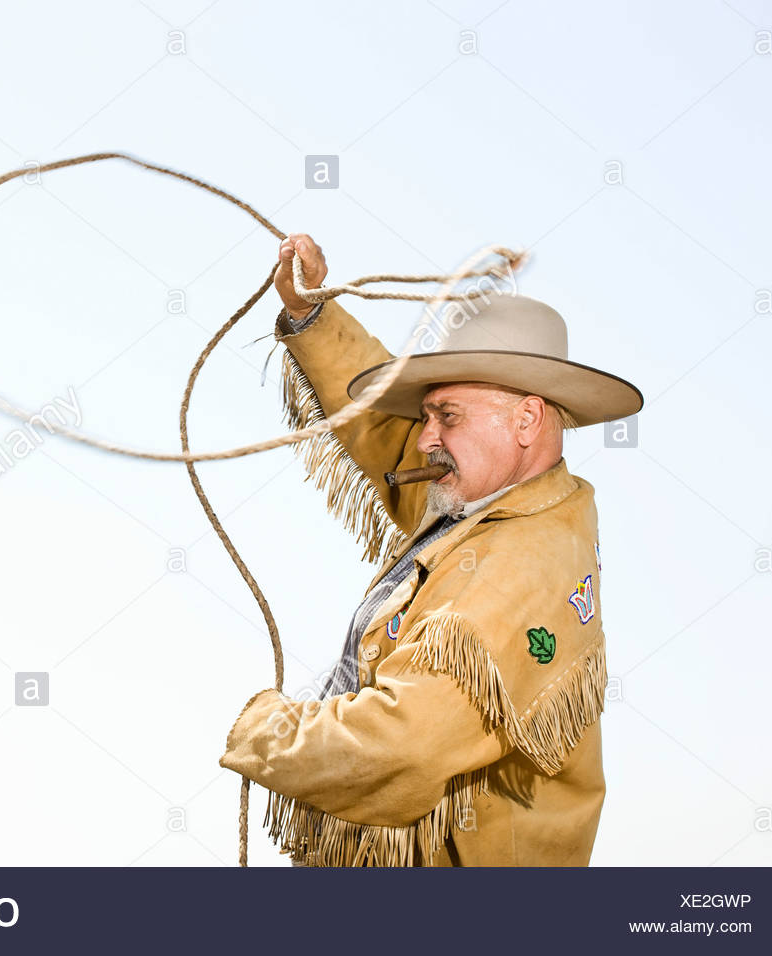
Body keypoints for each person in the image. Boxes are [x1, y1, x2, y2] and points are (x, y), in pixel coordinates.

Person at [217, 234, 644, 866]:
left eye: (448, 416)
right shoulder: (498, 496)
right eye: (429, 416)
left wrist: (265, 731)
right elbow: (385, 431)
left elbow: (401, 745)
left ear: (526, 421)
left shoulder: (521, 565)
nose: (425, 441)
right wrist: (313, 316)